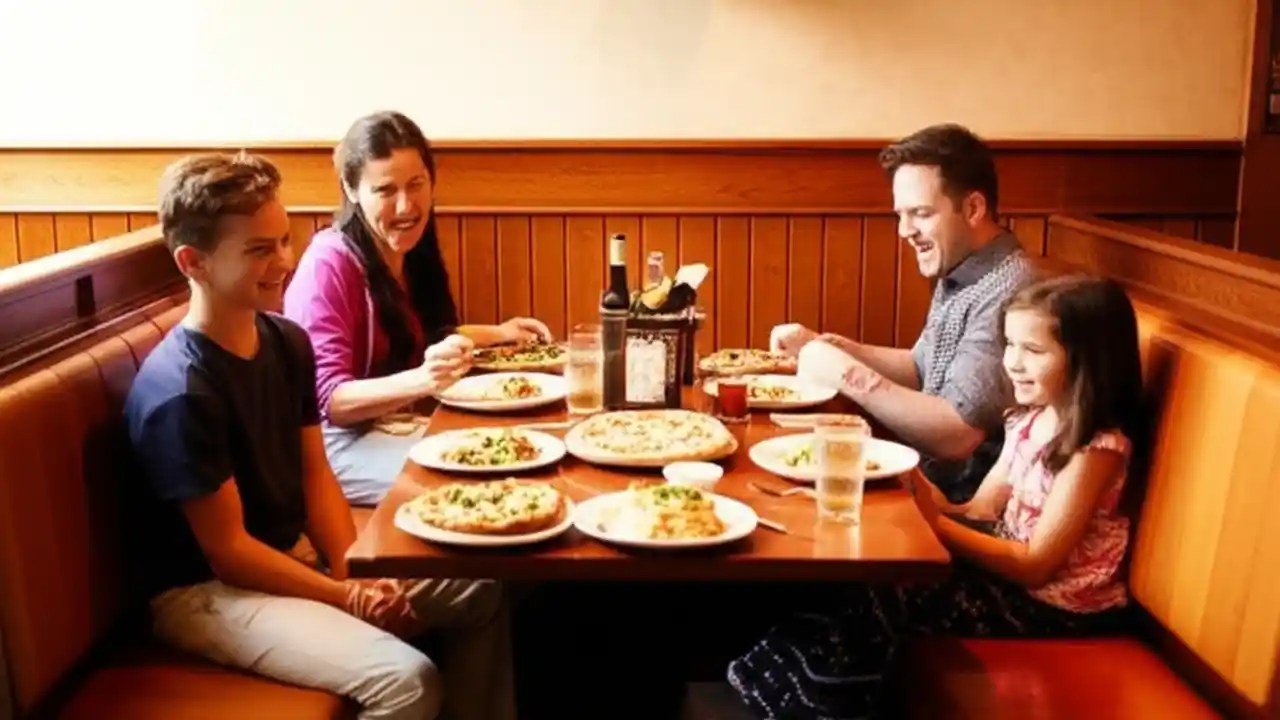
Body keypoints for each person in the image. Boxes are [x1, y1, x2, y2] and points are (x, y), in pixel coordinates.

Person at [125, 152, 513, 720]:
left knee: (478, 589)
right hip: (207, 592)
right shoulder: (181, 391)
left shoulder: (285, 342)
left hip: (290, 555)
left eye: (284, 240)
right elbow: (229, 553)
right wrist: (345, 595)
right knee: (408, 682)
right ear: (193, 262)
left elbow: (315, 472)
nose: (283, 260)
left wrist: (348, 564)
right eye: (258, 249)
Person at [729, 275, 1144, 719]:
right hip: (1013, 580)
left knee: (883, 595)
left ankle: (828, 708)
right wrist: (905, 477)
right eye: (1009, 344)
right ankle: (787, 698)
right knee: (850, 580)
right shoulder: (1029, 420)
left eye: (1033, 350)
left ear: (1087, 362)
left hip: (1059, 609)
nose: (1013, 363)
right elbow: (979, 511)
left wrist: (934, 523)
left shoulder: (1095, 450)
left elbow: (1035, 566)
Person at [283, 111, 549, 505]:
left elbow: (427, 337)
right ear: (352, 190)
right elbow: (331, 402)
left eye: (416, 185)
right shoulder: (329, 264)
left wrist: (500, 332)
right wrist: (425, 380)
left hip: (389, 427)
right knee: (488, 478)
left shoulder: (408, 248)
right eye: (386, 190)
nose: (406, 205)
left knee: (521, 448)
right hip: (329, 451)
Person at [772, 124, 1036, 503]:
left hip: (959, 506)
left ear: (974, 208)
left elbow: (957, 434)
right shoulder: (962, 267)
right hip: (923, 485)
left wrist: (848, 373)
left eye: (921, 214)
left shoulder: (1009, 288)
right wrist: (825, 345)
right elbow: (920, 368)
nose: (904, 231)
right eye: (901, 214)